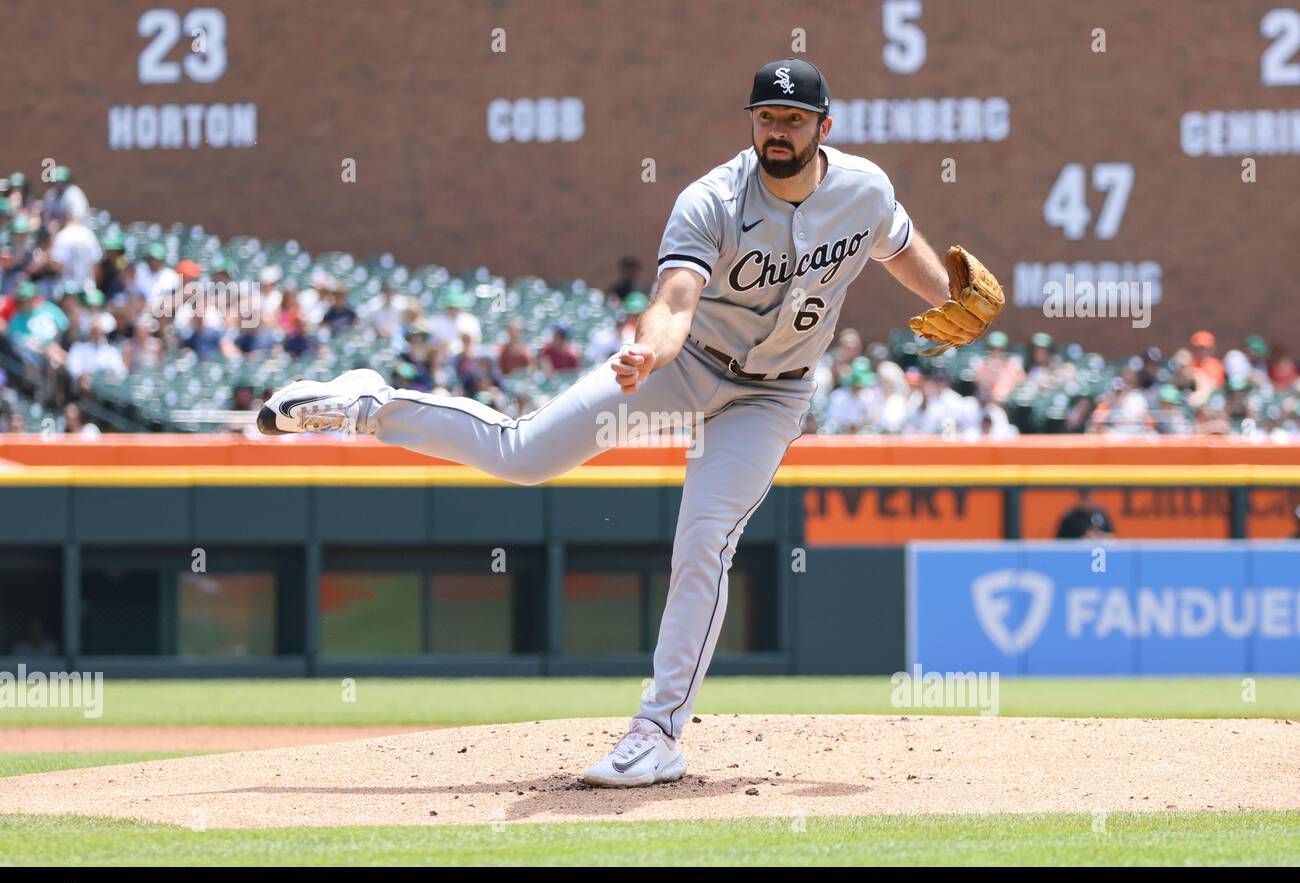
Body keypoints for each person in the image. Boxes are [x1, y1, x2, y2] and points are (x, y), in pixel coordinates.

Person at [255, 58, 1004, 787]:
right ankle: (369, 405)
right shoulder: (711, 199)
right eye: (766, 117)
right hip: (683, 368)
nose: (778, 131)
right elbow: (677, 298)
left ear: (822, 126)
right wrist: (648, 351)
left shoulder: (865, 190)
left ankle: (657, 735)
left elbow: (900, 248)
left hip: (771, 398)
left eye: (793, 119)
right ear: (752, 122)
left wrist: (944, 295)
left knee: (706, 539)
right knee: (524, 455)